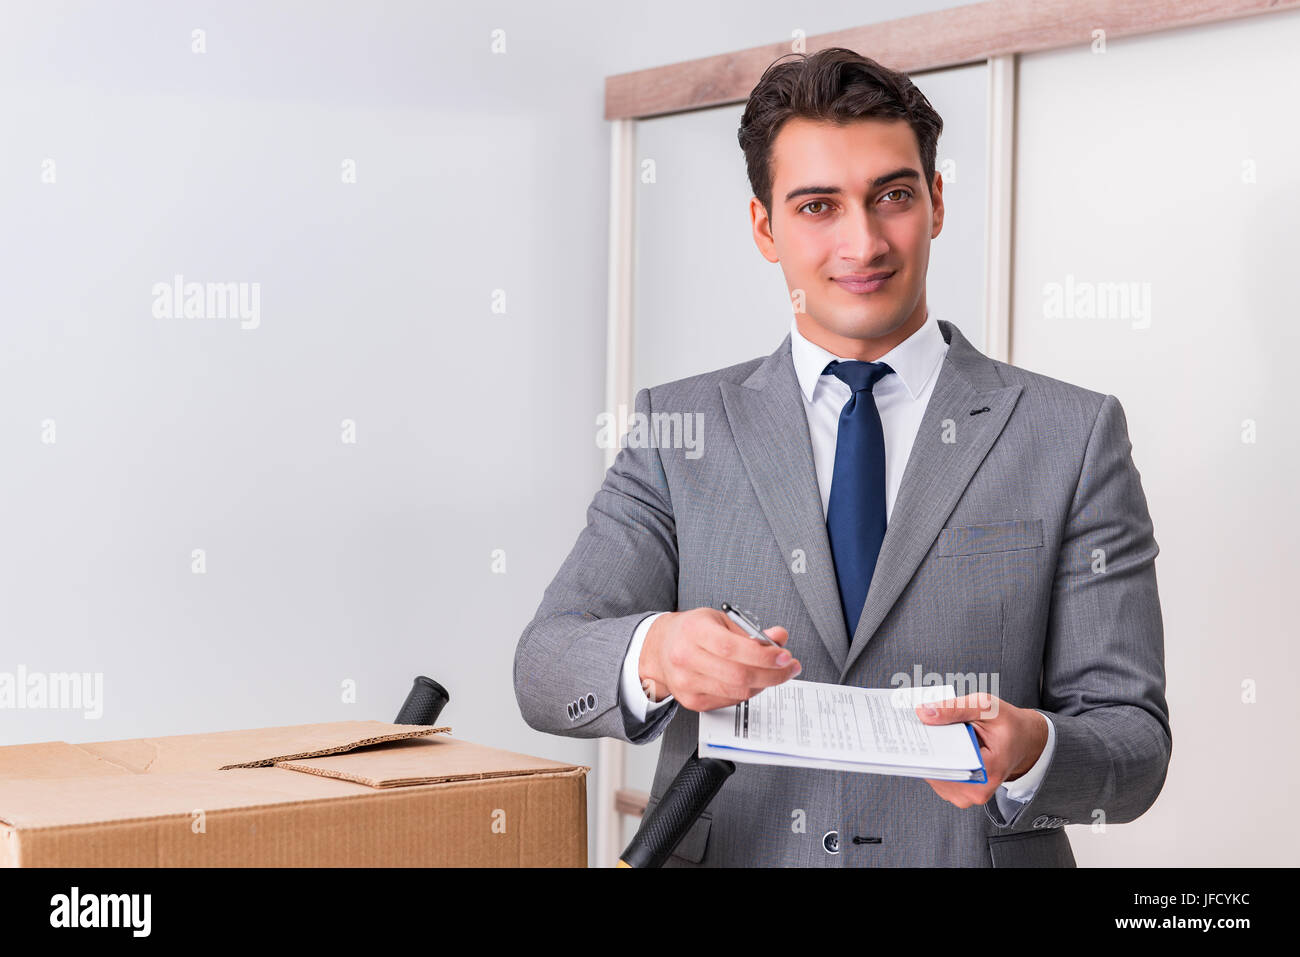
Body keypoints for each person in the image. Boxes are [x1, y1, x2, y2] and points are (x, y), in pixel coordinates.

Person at [513, 47, 1170, 867]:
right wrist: (657, 652)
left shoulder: (1071, 433)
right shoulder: (678, 428)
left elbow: (1133, 744)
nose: (863, 243)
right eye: (818, 205)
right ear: (765, 228)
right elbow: (544, 664)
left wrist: (1032, 745)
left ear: (935, 201)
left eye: (891, 196)